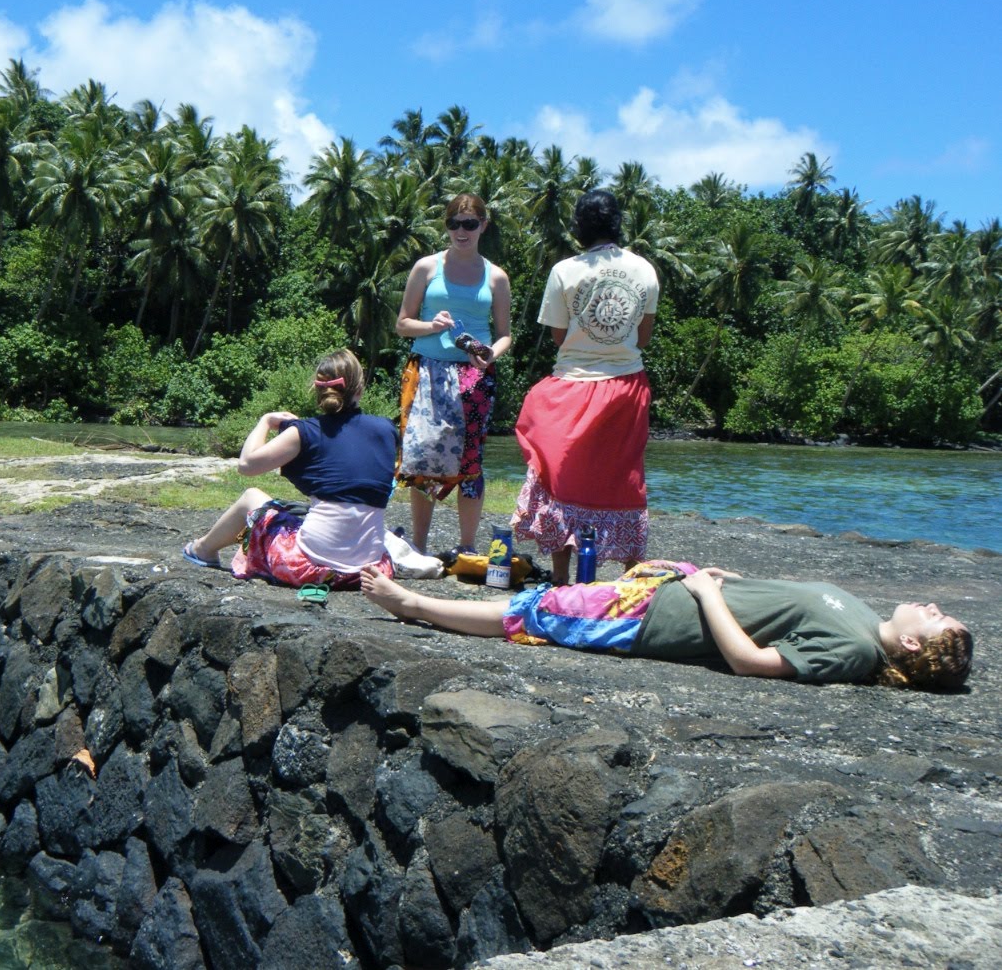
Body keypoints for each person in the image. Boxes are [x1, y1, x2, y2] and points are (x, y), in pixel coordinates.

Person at [360, 562, 973, 689]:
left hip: (654, 620)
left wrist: (706, 594)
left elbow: (749, 661)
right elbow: (779, 605)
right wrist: (728, 580)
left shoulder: (855, 651)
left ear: (916, 643)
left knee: (532, 614)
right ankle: (417, 602)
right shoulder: (866, 619)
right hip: (669, 593)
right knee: (550, 596)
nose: (931, 603)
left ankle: (411, 605)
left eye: (938, 617)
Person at [512, 188, 659, 584]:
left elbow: (560, 337)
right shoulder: (645, 270)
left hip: (573, 386)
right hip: (627, 386)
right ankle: (630, 576)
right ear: (618, 224)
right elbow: (642, 338)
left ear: (578, 226)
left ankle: (563, 576)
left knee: (561, 477)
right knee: (623, 478)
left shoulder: (565, 270)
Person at [183, 348, 398, 591]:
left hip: (307, 568)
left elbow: (246, 465)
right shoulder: (387, 430)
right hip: (369, 572)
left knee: (252, 496)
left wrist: (265, 421)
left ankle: (204, 549)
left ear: (318, 391)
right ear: (359, 389)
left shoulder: (305, 431)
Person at [395, 193, 512, 556]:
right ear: (446, 227)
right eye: (454, 224)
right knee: (421, 458)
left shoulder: (496, 276)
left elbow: (505, 334)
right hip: (426, 371)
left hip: (473, 376)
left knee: (471, 461)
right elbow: (402, 324)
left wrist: (491, 353)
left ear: (483, 226)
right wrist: (431, 325)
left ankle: (466, 545)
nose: (461, 232)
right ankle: (419, 544)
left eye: (470, 224)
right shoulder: (426, 268)